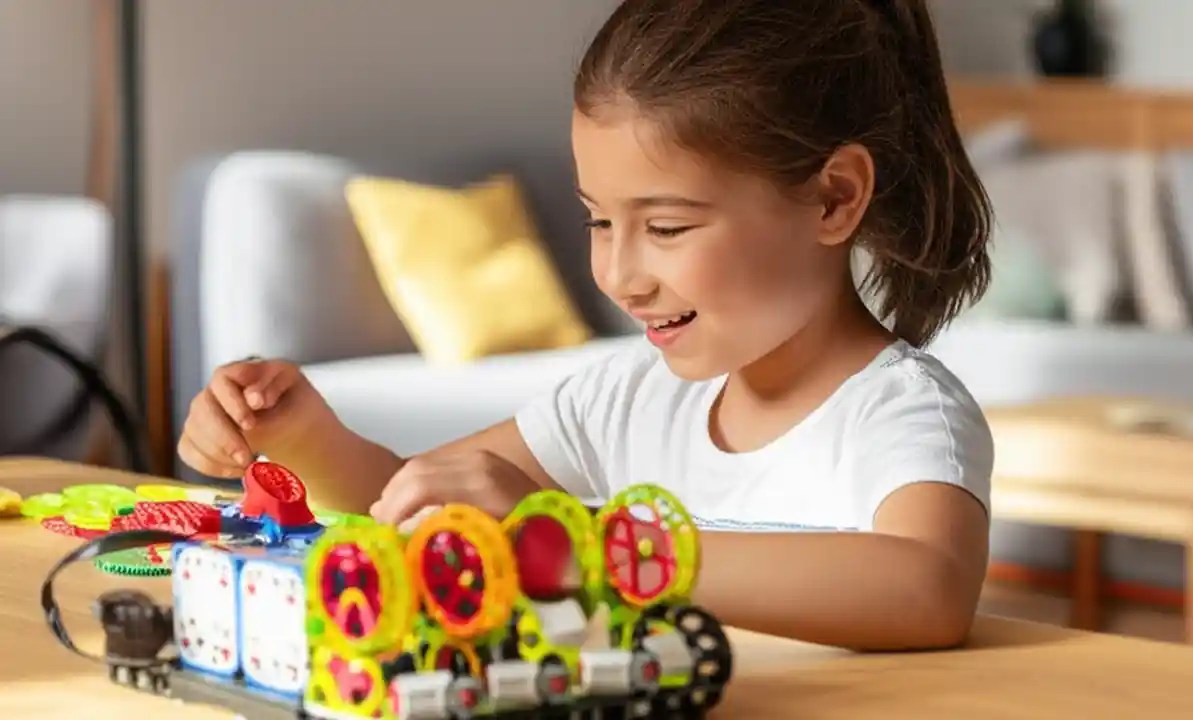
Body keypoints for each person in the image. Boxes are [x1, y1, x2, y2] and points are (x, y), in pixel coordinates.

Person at [178, 0, 995, 652]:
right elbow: (425, 502)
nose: (618, 274)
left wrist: (580, 545)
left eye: (666, 228)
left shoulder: (900, 411)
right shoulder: (623, 399)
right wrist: (303, 437)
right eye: (599, 221)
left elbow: (925, 588)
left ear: (834, 198)